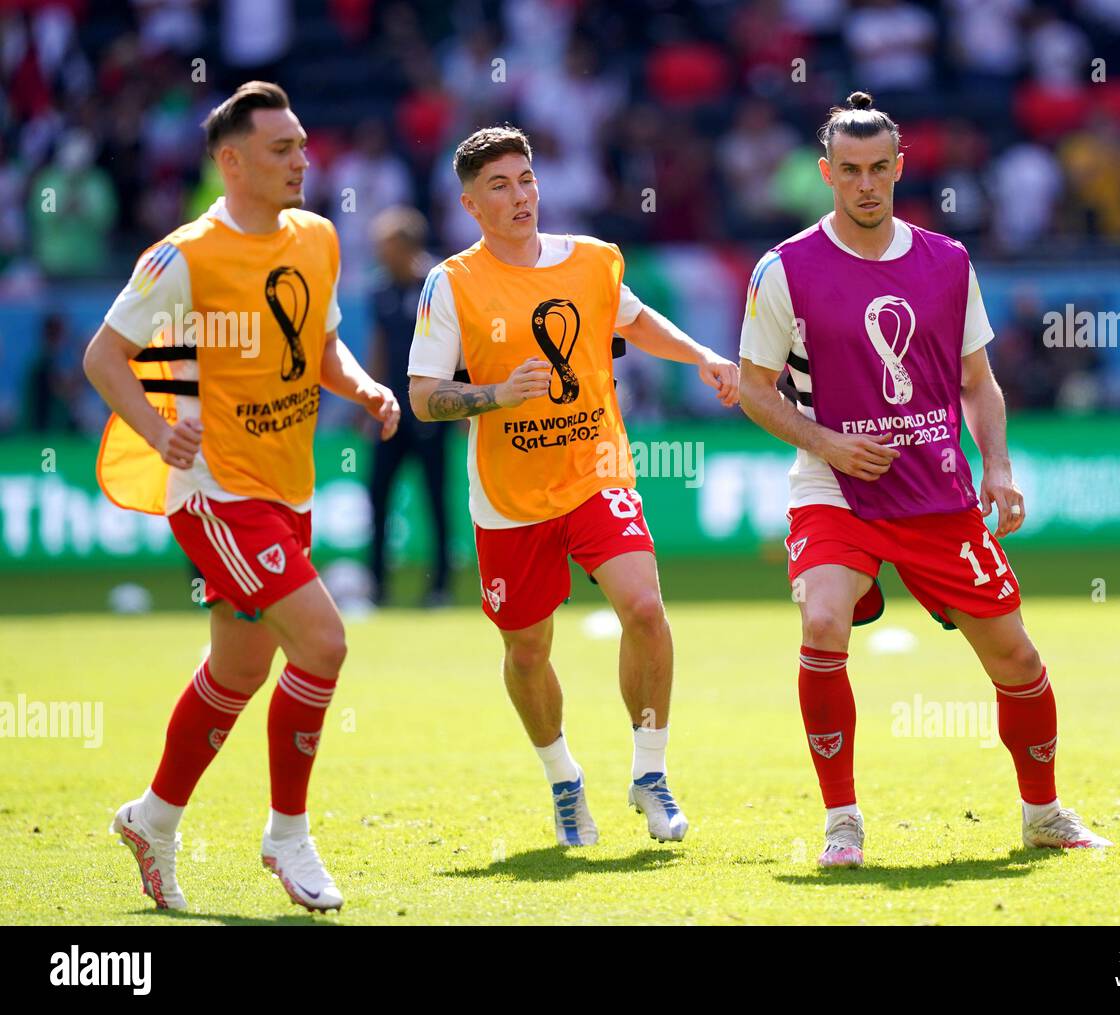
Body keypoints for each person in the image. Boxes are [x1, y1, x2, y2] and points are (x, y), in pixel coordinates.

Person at [737, 92, 1112, 868]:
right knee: (823, 624)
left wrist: (998, 467)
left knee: (1015, 658)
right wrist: (827, 444)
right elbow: (752, 387)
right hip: (834, 487)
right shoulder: (785, 269)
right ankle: (842, 821)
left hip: (937, 492)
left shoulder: (947, 262)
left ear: (901, 167)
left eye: (879, 169)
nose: (866, 185)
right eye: (849, 171)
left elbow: (978, 382)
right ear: (825, 174)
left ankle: (1042, 812)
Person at [83, 81, 400, 911]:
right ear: (232, 162)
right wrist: (160, 437)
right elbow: (103, 358)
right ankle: (288, 836)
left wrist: (365, 388)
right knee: (324, 643)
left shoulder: (319, 237)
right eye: (281, 149)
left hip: (287, 487)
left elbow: (323, 348)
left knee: (239, 666)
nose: (302, 160)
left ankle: (151, 819)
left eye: (300, 144)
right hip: (215, 492)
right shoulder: (182, 256)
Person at [407, 125, 738, 847]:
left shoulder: (590, 261)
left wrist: (702, 355)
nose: (520, 194)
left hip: (596, 470)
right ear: (470, 203)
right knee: (527, 651)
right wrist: (494, 395)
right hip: (508, 499)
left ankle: (650, 773)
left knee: (645, 608)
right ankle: (564, 780)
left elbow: (635, 320)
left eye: (526, 178)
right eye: (500, 185)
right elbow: (424, 397)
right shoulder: (452, 283)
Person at [367, 206, 451, 606]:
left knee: (436, 498)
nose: (380, 254)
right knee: (377, 495)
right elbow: (380, 349)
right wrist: (368, 398)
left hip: (432, 410)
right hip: (393, 411)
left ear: (405, 245)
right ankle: (377, 588)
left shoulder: (437, 286)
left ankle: (440, 588)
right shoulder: (381, 291)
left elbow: (459, 349)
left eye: (386, 246)